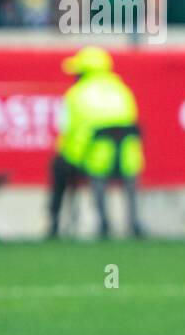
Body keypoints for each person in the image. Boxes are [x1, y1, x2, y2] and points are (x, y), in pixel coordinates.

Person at [48, 46, 145, 240]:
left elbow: (67, 132)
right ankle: (133, 223)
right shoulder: (122, 90)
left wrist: (68, 157)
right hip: (128, 160)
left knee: (58, 166)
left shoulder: (76, 95)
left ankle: (58, 225)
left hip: (93, 159)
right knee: (123, 174)